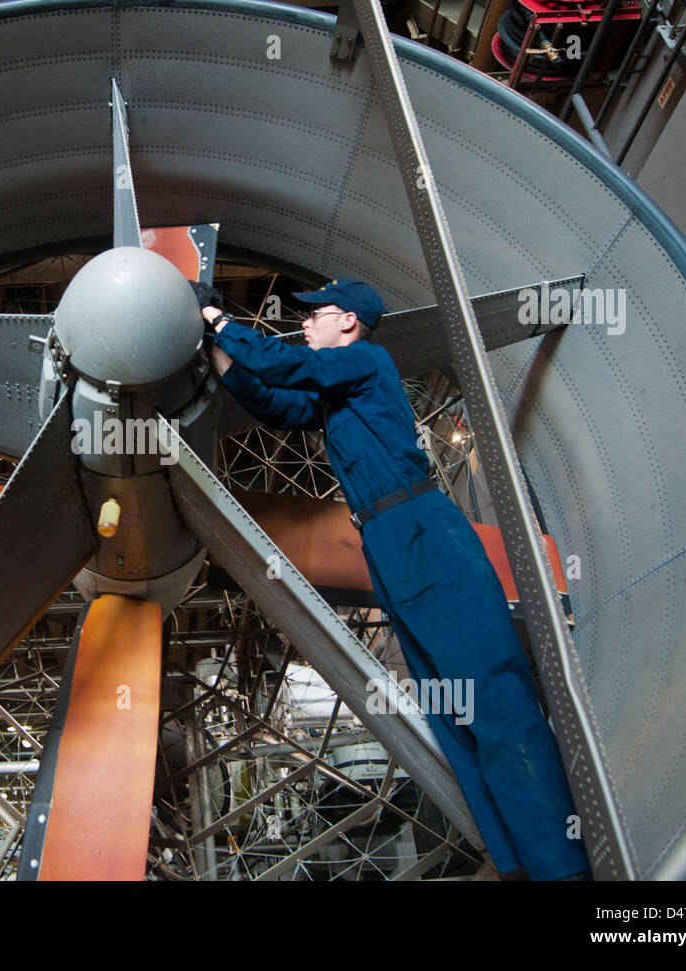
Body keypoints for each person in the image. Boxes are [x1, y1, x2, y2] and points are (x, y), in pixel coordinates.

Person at [197, 277, 592, 881]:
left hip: (424, 535)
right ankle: (518, 866)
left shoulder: (367, 362)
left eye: (315, 315)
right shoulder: (339, 395)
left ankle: (563, 869)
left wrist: (218, 318)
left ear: (349, 322)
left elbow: (284, 363)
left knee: (493, 699)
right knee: (450, 715)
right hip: (389, 547)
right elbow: (274, 399)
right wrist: (212, 347)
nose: (304, 323)